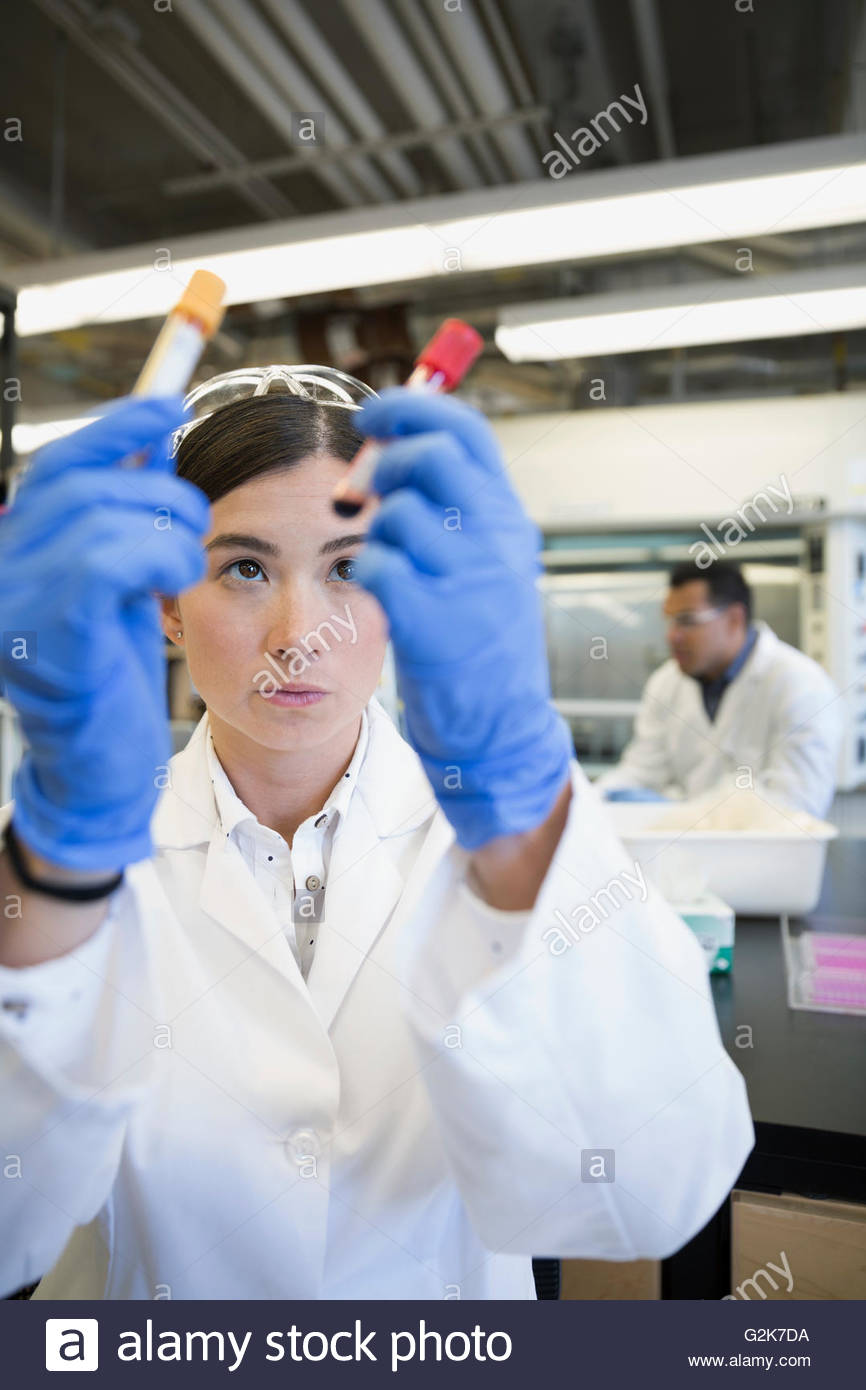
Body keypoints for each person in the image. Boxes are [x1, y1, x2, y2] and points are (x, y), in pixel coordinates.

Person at [0, 371, 753, 1300]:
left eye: (349, 568)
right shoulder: (50, 868)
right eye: (244, 568)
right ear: (165, 602)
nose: (299, 634)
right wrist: (62, 861)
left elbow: (646, 1196)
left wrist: (520, 818)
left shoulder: (510, 844)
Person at [597, 560, 842, 818]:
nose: (672, 636)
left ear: (734, 619)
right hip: (687, 850)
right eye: (670, 622)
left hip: (767, 856)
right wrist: (593, 800)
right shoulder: (666, 682)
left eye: (687, 621)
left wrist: (685, 813)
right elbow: (641, 770)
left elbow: (797, 806)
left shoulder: (801, 685)